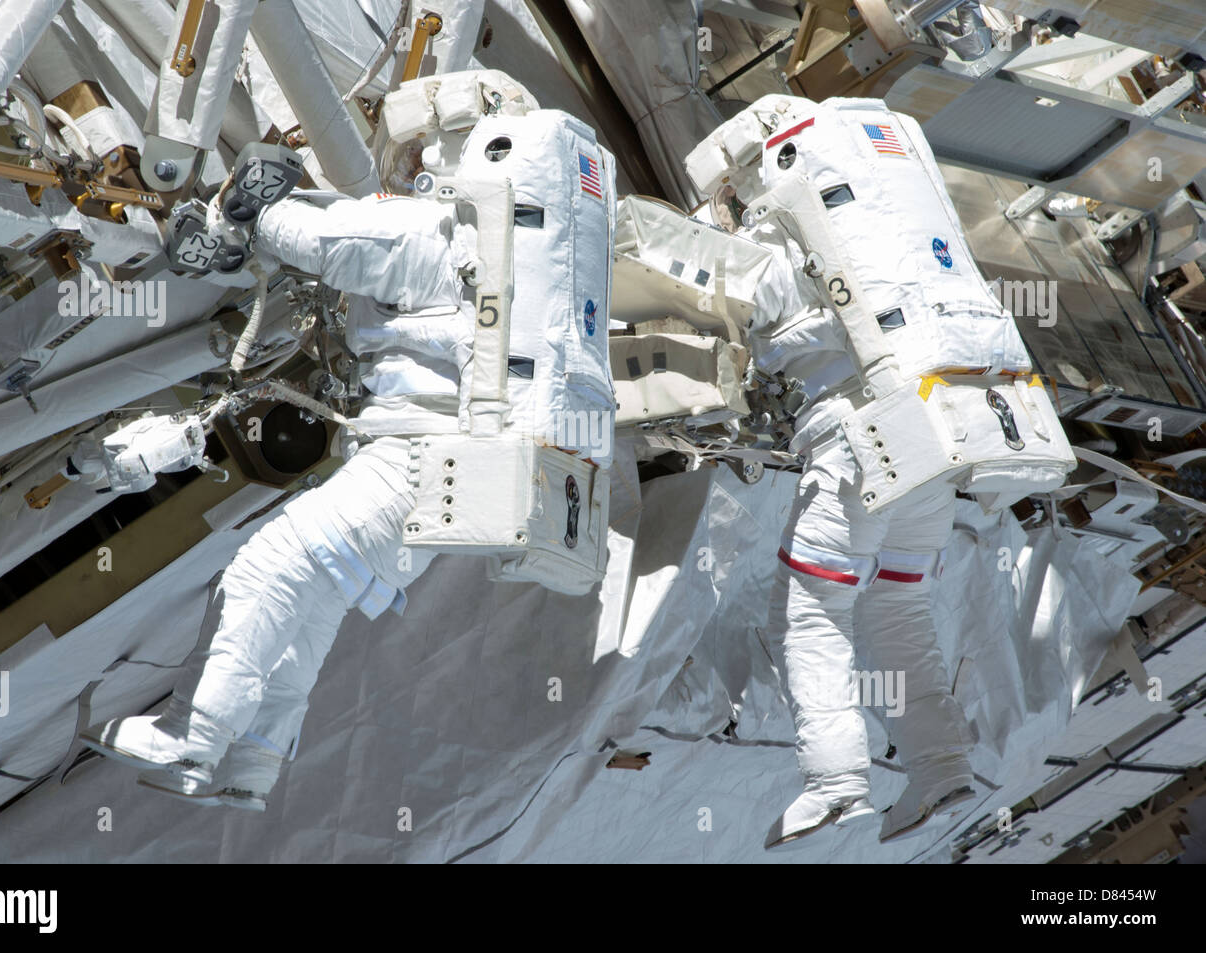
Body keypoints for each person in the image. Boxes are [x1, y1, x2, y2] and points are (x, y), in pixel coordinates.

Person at [80, 70, 618, 809]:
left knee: (268, 568)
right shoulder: (528, 253)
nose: (403, 171)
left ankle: (191, 735)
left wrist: (232, 212)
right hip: (458, 476)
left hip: (420, 463)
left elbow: (326, 237)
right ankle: (255, 763)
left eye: (411, 154)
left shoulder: (437, 232)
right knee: (313, 600)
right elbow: (353, 235)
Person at [684, 94, 1072, 845]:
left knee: (809, 612)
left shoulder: (790, 241)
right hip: (944, 435)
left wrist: (709, 242)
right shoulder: (895, 229)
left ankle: (835, 782)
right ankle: (941, 766)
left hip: (867, 445)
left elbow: (726, 305)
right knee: (895, 610)